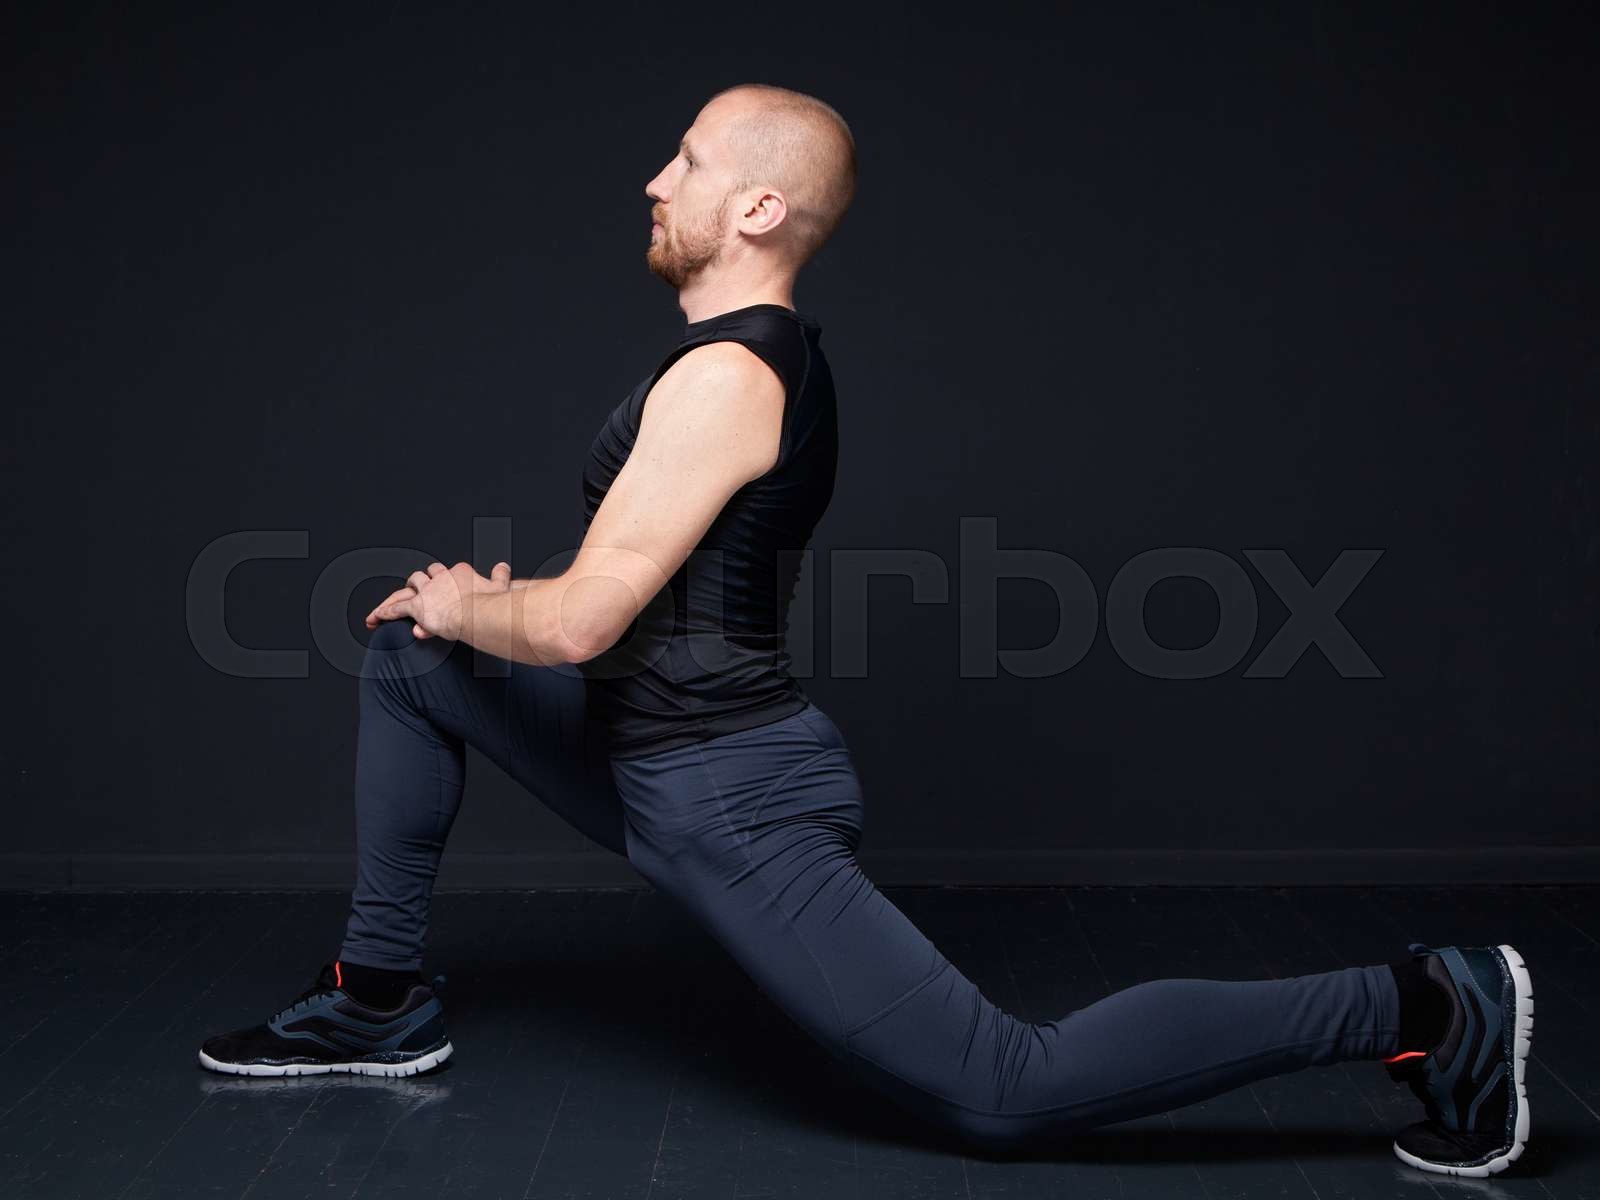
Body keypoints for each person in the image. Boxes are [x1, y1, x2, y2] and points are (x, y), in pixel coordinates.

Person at [197, 83, 1534, 1178]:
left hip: (727, 791)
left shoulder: (729, 375)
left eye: (687, 160)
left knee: (1005, 1089)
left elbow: (589, 618)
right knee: (414, 657)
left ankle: (1428, 1003)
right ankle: (374, 1000)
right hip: (652, 752)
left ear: (757, 208)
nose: (656, 180)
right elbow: (653, 586)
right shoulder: (734, 360)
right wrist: (480, 615)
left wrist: (484, 604)